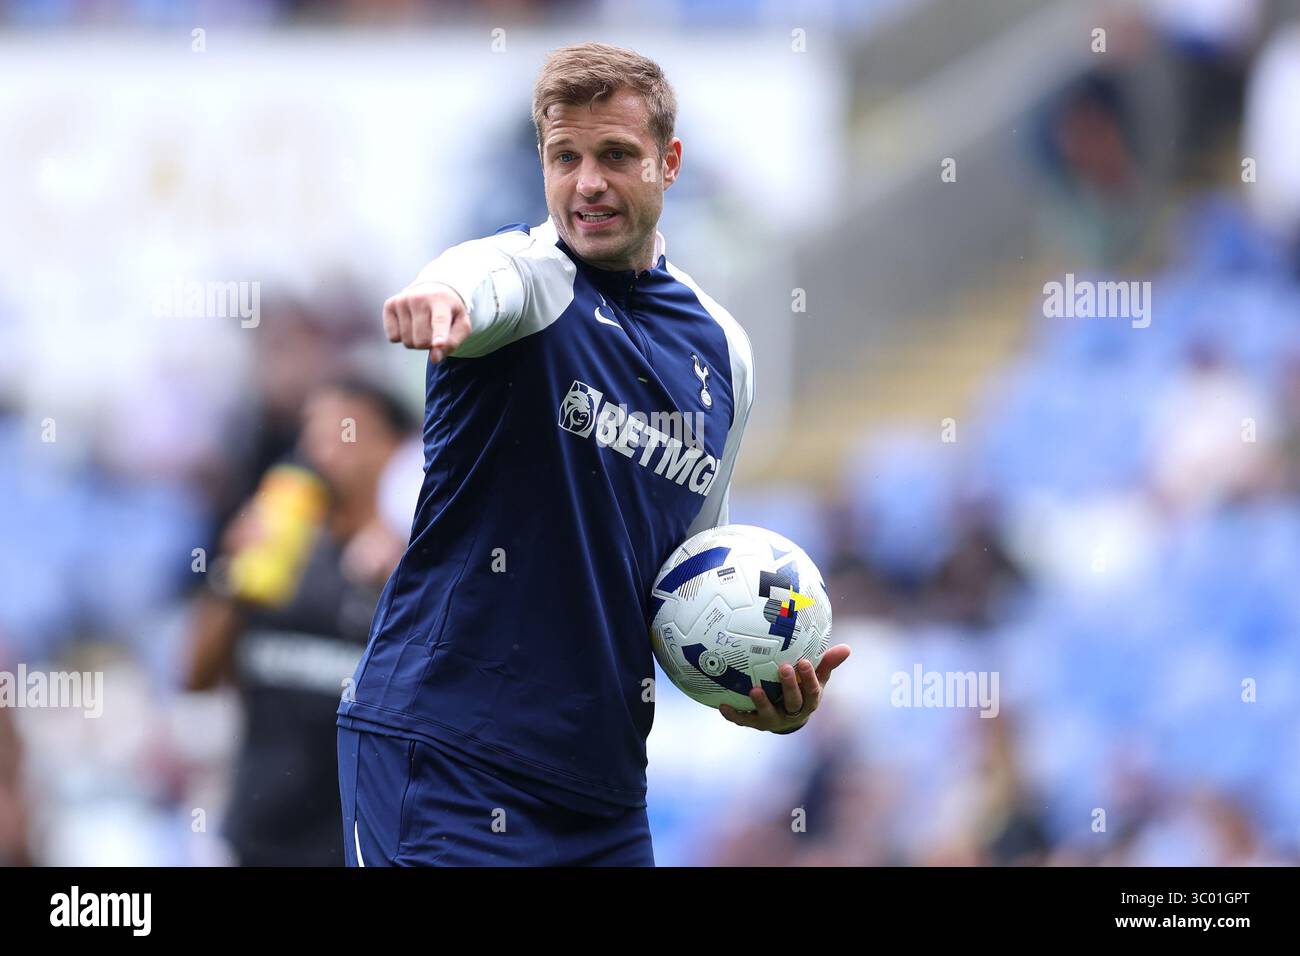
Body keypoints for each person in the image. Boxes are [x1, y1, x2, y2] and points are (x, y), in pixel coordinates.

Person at [337, 42, 851, 867]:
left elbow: (683, 579)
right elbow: (481, 273)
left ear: (669, 162)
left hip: (601, 791)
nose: (587, 184)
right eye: (564, 157)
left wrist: (752, 687)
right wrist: (442, 296)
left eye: (616, 155)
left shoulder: (726, 352)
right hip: (445, 760)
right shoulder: (529, 282)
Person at [187, 379, 414, 865]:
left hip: (357, 845)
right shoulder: (278, 553)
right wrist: (231, 576)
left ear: (394, 446)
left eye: (343, 431)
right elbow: (196, 677)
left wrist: (403, 586)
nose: (320, 450)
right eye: (314, 431)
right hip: (253, 837)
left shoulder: (413, 565)